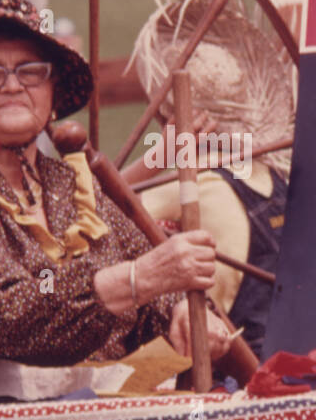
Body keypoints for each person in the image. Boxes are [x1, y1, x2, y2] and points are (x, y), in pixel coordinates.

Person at [0, 0, 235, 392]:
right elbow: (11, 317)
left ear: (53, 92)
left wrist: (179, 308)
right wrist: (136, 281)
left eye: (31, 71)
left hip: (80, 409)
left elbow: (149, 261)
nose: (12, 85)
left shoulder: (67, 185)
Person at [122, 38, 292, 359]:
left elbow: (102, 209)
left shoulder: (192, 185)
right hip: (288, 344)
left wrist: (156, 158)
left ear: (167, 119)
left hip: (231, 358)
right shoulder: (272, 175)